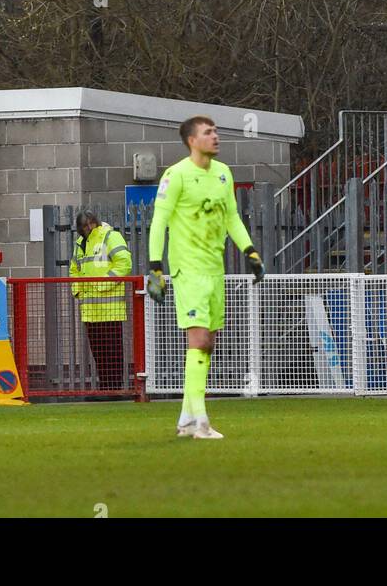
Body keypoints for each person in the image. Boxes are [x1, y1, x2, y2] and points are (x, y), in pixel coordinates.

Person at [147, 115, 264, 439]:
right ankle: (201, 422)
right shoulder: (176, 175)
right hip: (189, 268)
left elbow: (232, 219)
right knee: (198, 339)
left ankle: (185, 419)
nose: (215, 136)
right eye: (208, 133)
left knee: (207, 343)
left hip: (214, 269)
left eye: (215, 131)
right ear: (191, 141)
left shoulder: (223, 174)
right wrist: (156, 266)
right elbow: (160, 221)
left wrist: (250, 251)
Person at [70, 207, 132, 391]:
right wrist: (78, 291)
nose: (88, 228)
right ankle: (106, 387)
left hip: (110, 307)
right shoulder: (80, 243)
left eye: (89, 224)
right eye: (84, 226)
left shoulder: (110, 236)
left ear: (95, 222)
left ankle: (113, 388)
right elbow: (74, 270)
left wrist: (102, 284)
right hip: (90, 309)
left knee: (111, 351)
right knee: (98, 352)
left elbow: (124, 263)